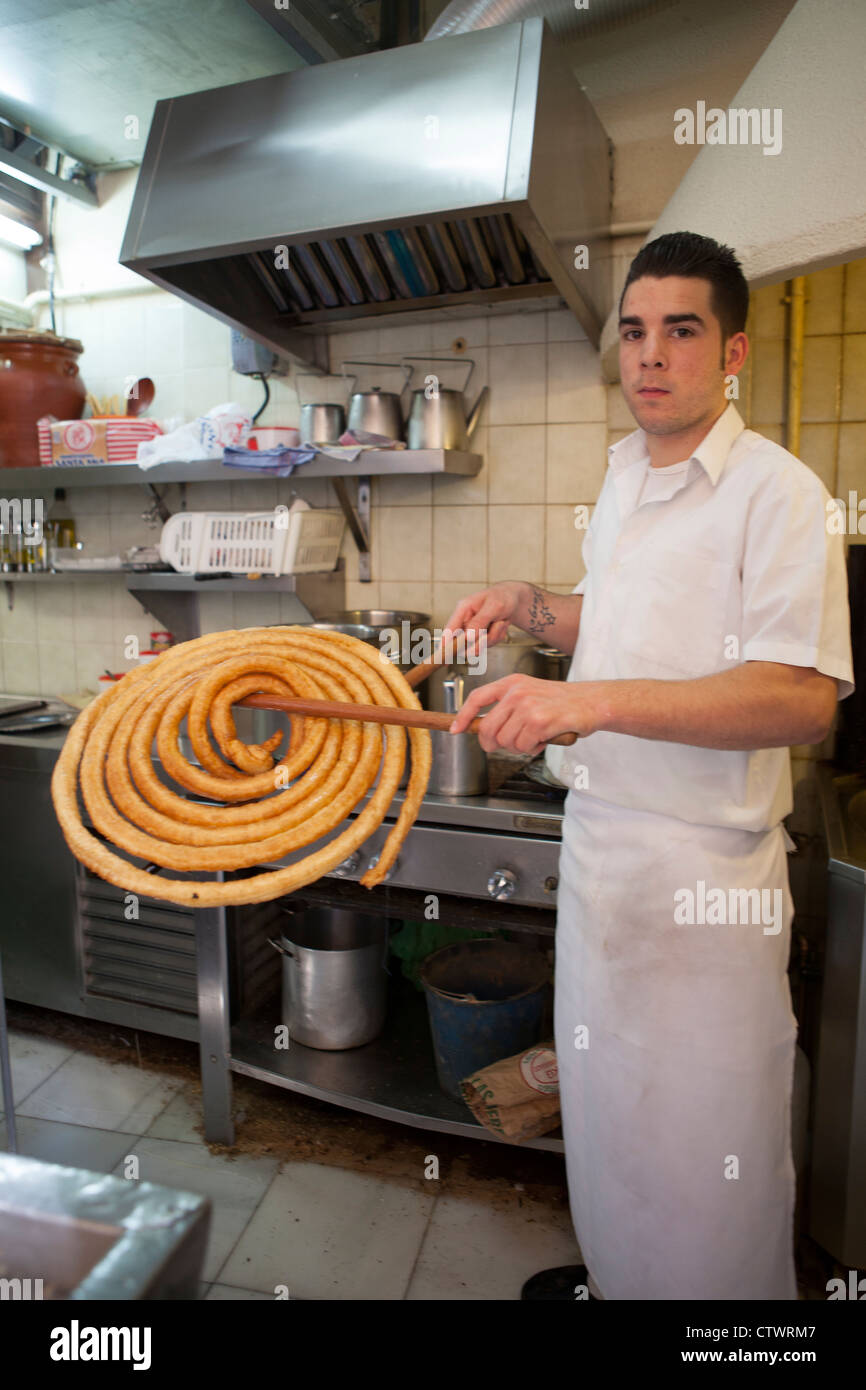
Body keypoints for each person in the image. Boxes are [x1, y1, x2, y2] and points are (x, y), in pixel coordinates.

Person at [447, 231, 854, 1301]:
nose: (649, 355)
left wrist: (585, 702)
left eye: (680, 330)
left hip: (702, 888)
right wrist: (532, 607)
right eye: (632, 331)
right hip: (601, 866)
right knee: (612, 1128)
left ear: (732, 352)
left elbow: (798, 696)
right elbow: (619, 623)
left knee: (703, 1159)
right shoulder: (624, 475)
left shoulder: (778, 494)